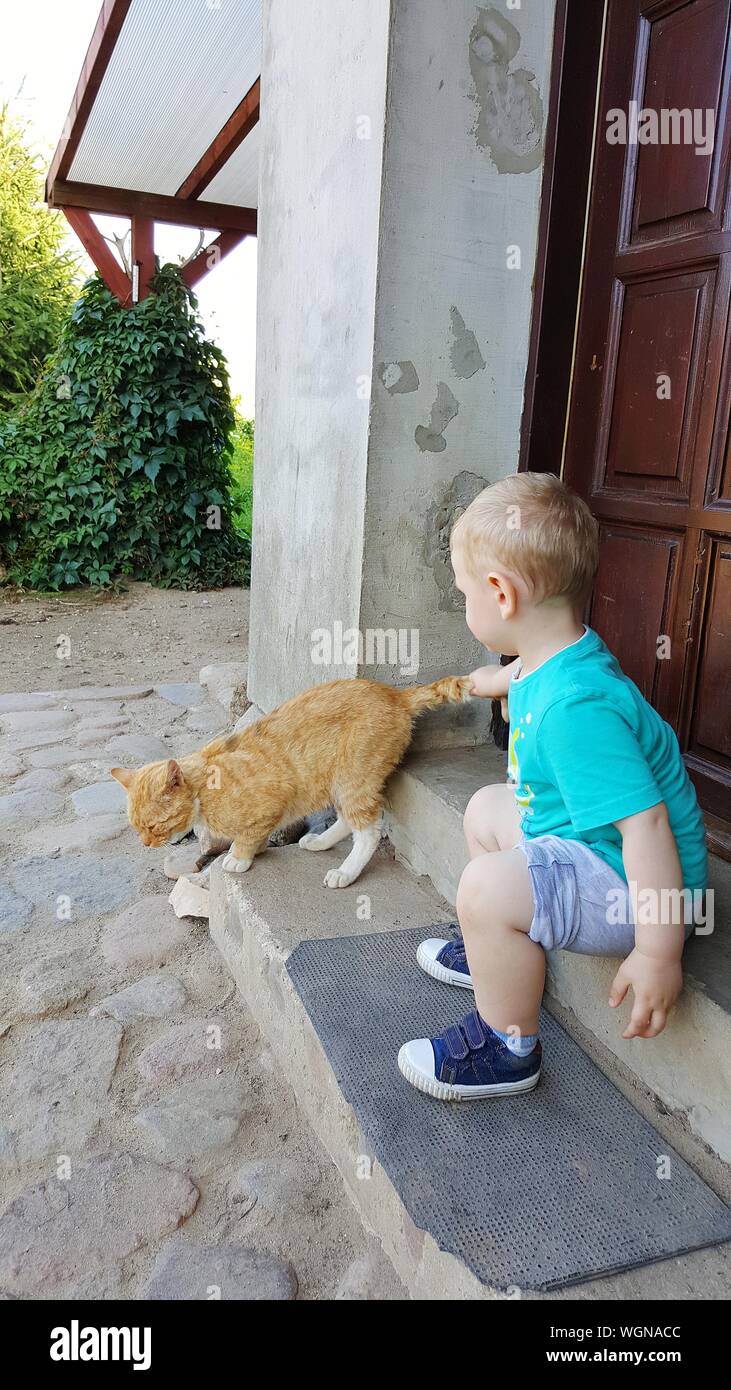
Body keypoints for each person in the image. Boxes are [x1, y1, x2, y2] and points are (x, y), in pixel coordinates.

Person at [398, 472, 707, 1100]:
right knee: (486, 809)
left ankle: (507, 1046)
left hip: (634, 886)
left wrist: (657, 953)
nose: (466, 606)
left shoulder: (576, 709)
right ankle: (498, 954)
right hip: (589, 845)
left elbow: (646, 829)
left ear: (500, 595)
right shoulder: (557, 656)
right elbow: (521, 674)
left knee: (483, 886)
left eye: (465, 594)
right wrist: (492, 680)